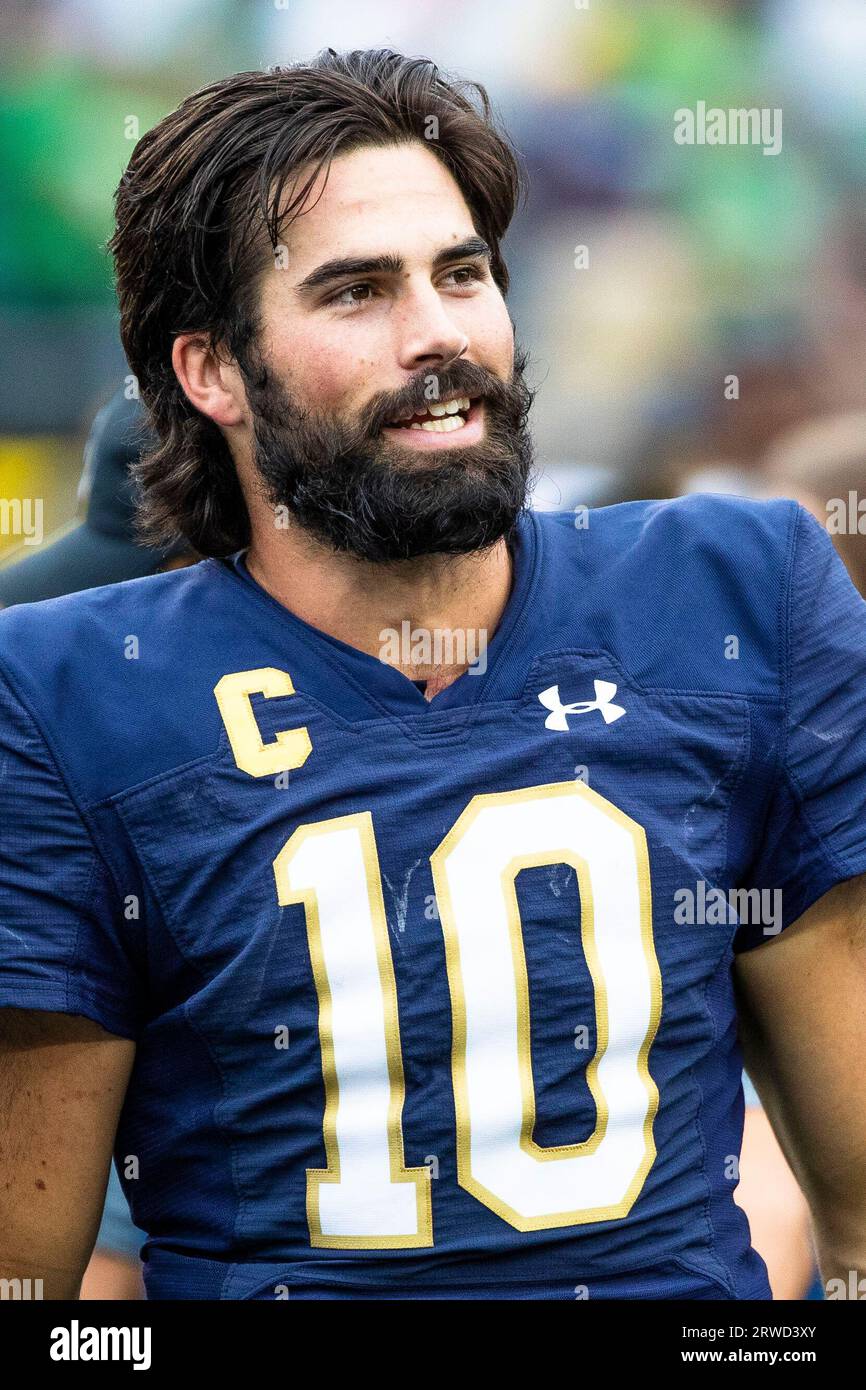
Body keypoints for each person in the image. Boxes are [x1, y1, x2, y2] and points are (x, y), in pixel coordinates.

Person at [1, 49, 866, 1301]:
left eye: (461, 274)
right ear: (211, 371)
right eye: (356, 292)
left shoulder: (734, 588)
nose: (437, 334)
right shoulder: (66, 691)